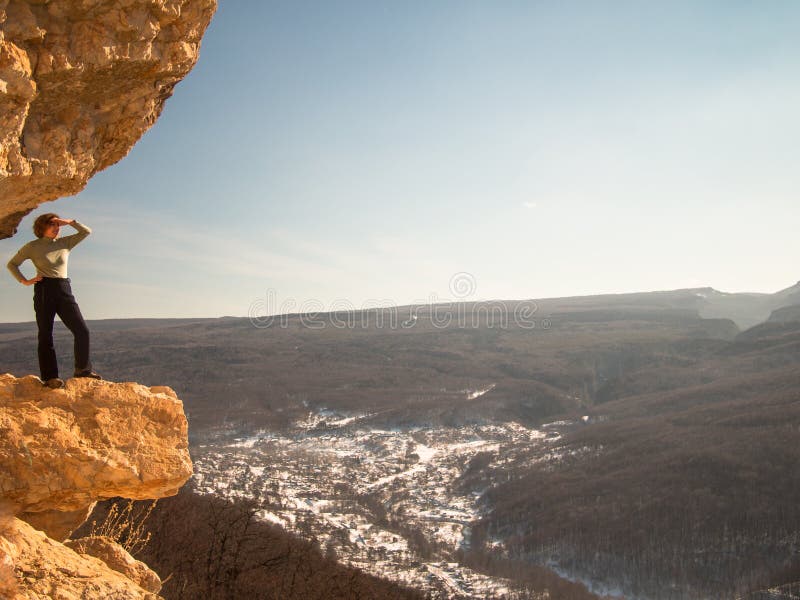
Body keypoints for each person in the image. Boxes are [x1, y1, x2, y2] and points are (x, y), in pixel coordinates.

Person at [6, 213, 101, 388]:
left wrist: (70, 222)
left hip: (64, 288)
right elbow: (12, 264)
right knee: (45, 334)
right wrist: (25, 281)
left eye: (58, 225)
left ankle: (82, 370)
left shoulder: (65, 243)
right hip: (44, 289)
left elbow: (86, 232)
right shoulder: (32, 246)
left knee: (82, 330)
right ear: (42, 227)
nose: (57, 228)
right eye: (53, 225)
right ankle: (50, 378)